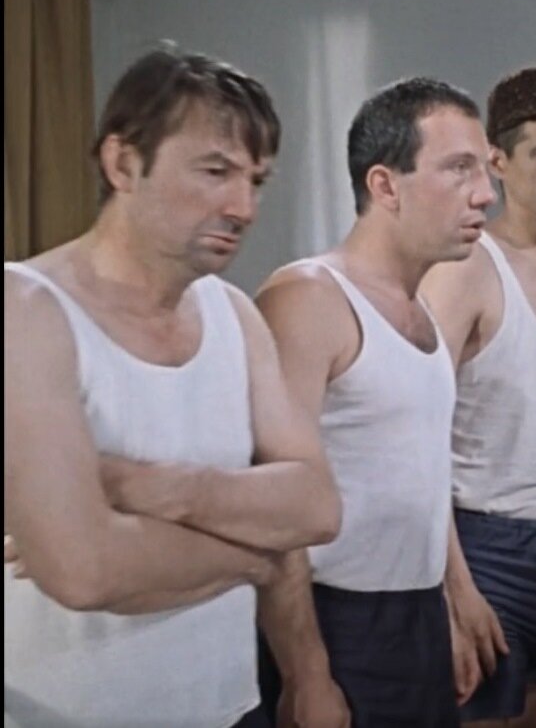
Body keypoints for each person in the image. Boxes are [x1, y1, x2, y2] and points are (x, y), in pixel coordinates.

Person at [3, 46, 342, 728]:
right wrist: (258, 553)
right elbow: (85, 570)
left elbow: (316, 505)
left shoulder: (235, 315)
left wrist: (151, 488)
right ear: (123, 162)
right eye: (215, 171)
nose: (243, 206)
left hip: (228, 706)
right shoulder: (26, 309)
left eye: (256, 180)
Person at [252, 77, 495, 727]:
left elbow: (420, 480)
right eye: (459, 169)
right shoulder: (309, 298)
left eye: (484, 170)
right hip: (336, 618)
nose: (485, 193)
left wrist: (449, 601)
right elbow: (275, 512)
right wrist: (306, 674)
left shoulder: (421, 312)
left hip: (414, 614)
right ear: (386, 185)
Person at [420, 64, 536, 727]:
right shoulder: (464, 270)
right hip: (484, 541)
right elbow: (416, 434)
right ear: (498, 162)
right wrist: (454, 586)